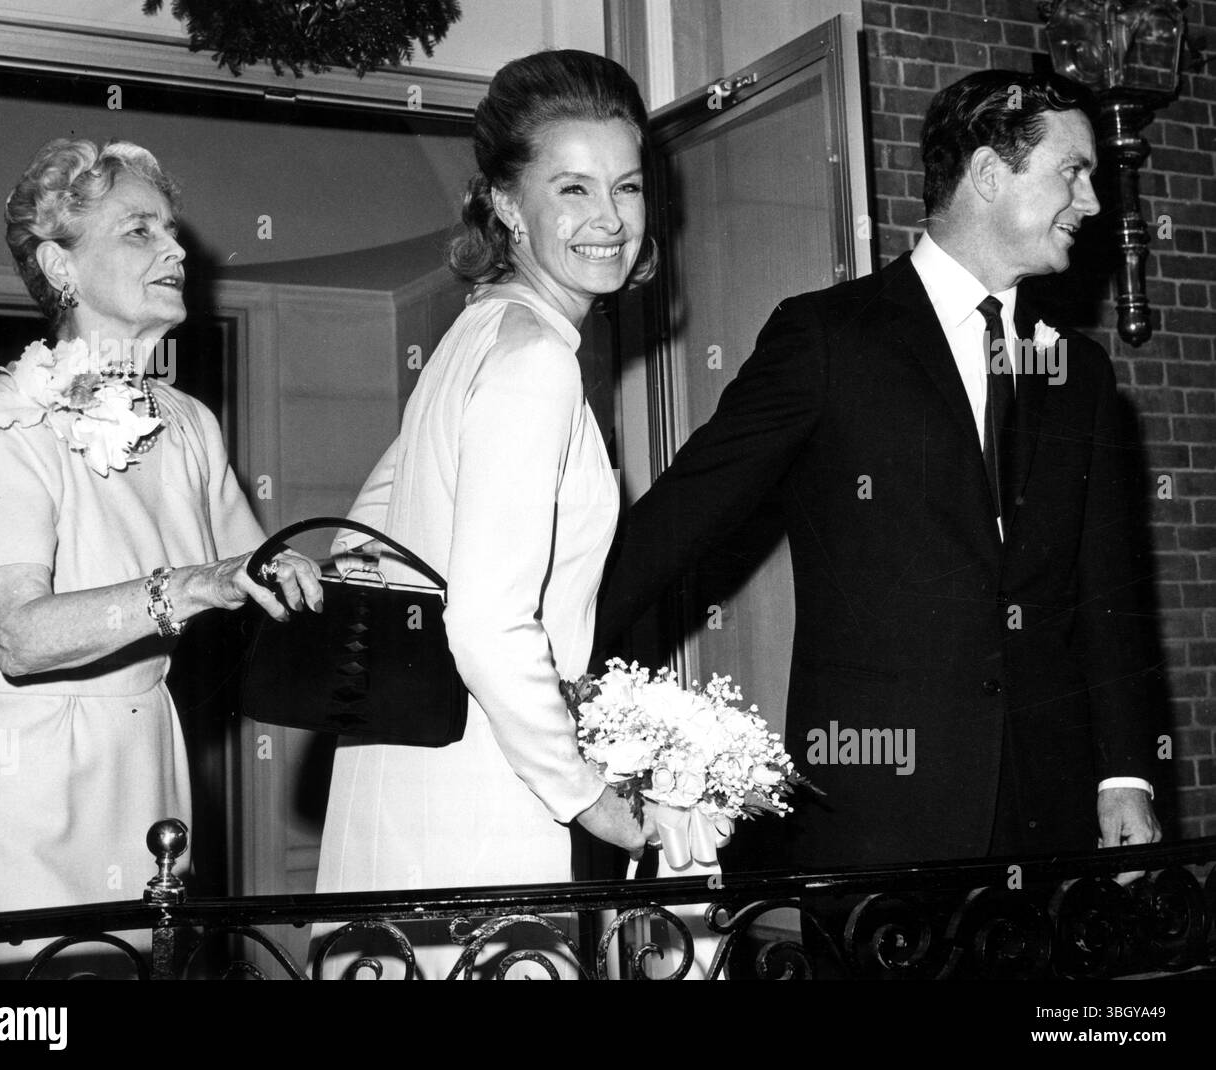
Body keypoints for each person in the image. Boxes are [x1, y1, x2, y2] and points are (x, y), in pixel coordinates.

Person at [595, 70, 1162, 872]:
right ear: (990, 174)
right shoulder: (826, 339)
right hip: (877, 822)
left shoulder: (1083, 374)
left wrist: (1125, 774)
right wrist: (546, 666)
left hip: (1051, 824)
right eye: (1073, 171)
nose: (1095, 201)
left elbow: (1109, 597)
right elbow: (682, 516)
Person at [0, 138, 322, 975]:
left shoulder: (189, 424)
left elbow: (260, 570)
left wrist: (344, 581)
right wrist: (192, 586)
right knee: (22, 1018)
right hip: (20, 770)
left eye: (170, 230)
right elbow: (19, 637)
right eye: (140, 230)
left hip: (144, 753)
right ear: (59, 264)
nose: (176, 249)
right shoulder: (1, 417)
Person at [311, 50, 658, 979]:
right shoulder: (535, 360)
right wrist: (585, 793)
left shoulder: (475, 335)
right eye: (573, 188)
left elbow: (359, 546)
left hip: (409, 762)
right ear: (506, 204)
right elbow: (488, 620)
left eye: (626, 187)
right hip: (487, 785)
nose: (610, 220)